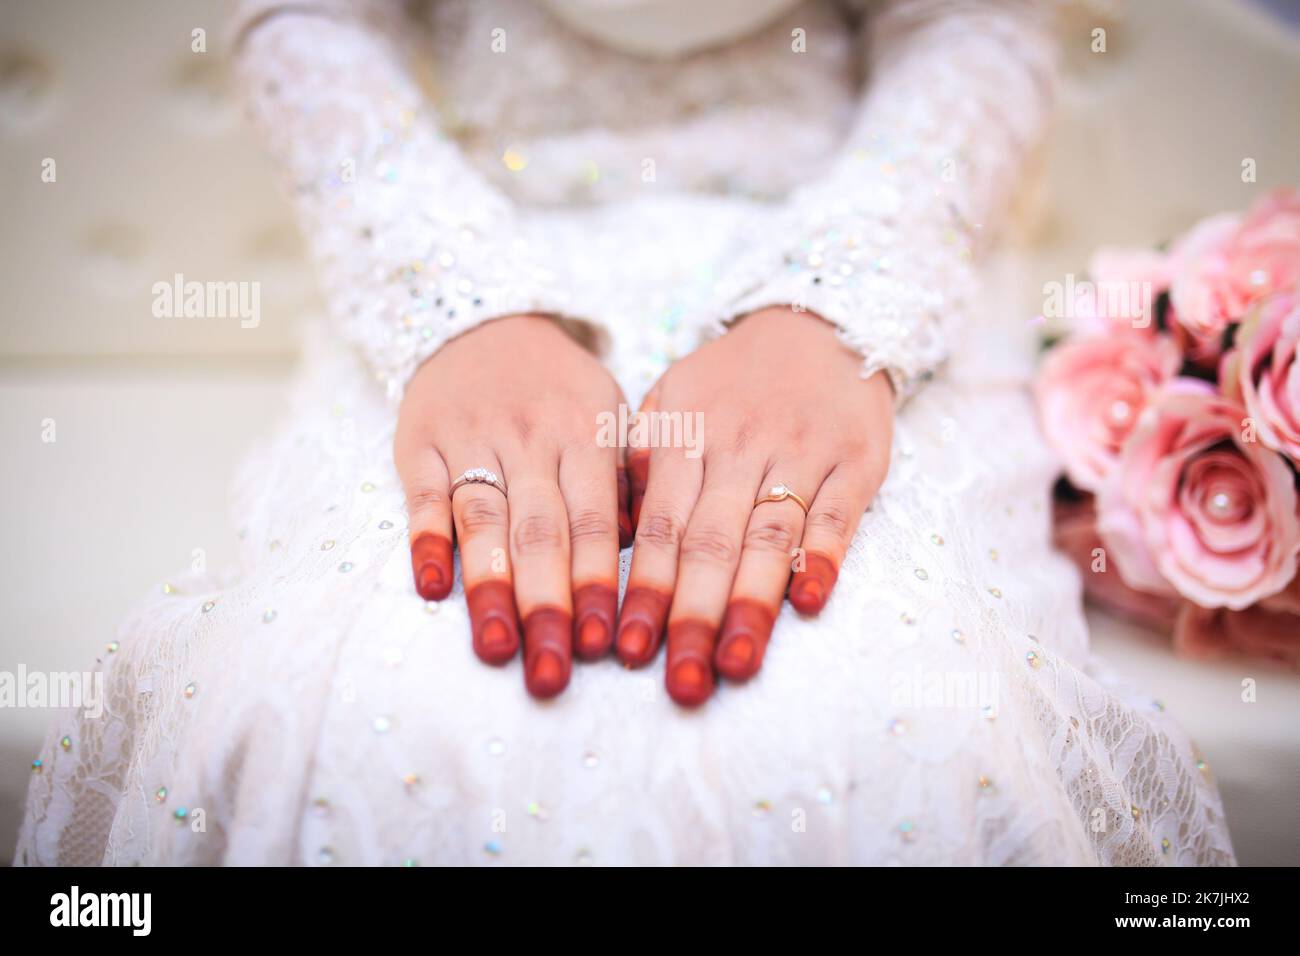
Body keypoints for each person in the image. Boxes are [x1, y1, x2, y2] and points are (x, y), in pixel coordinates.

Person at [17, 0, 1236, 866]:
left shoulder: (856, 281)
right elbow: (310, 17)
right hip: (464, 242)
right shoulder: (453, 279)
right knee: (339, 691)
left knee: (895, 715)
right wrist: (459, 308)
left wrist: (833, 312)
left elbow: (972, 26)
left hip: (863, 244)